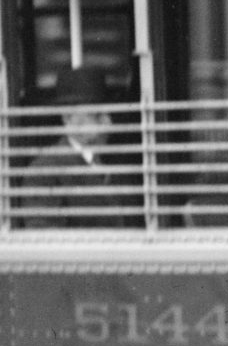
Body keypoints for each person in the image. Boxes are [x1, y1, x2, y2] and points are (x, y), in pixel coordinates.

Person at [17, 65, 140, 229]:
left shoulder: (116, 162)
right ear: (68, 118)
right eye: (97, 115)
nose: (109, 122)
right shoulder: (44, 173)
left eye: (109, 113)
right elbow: (47, 243)